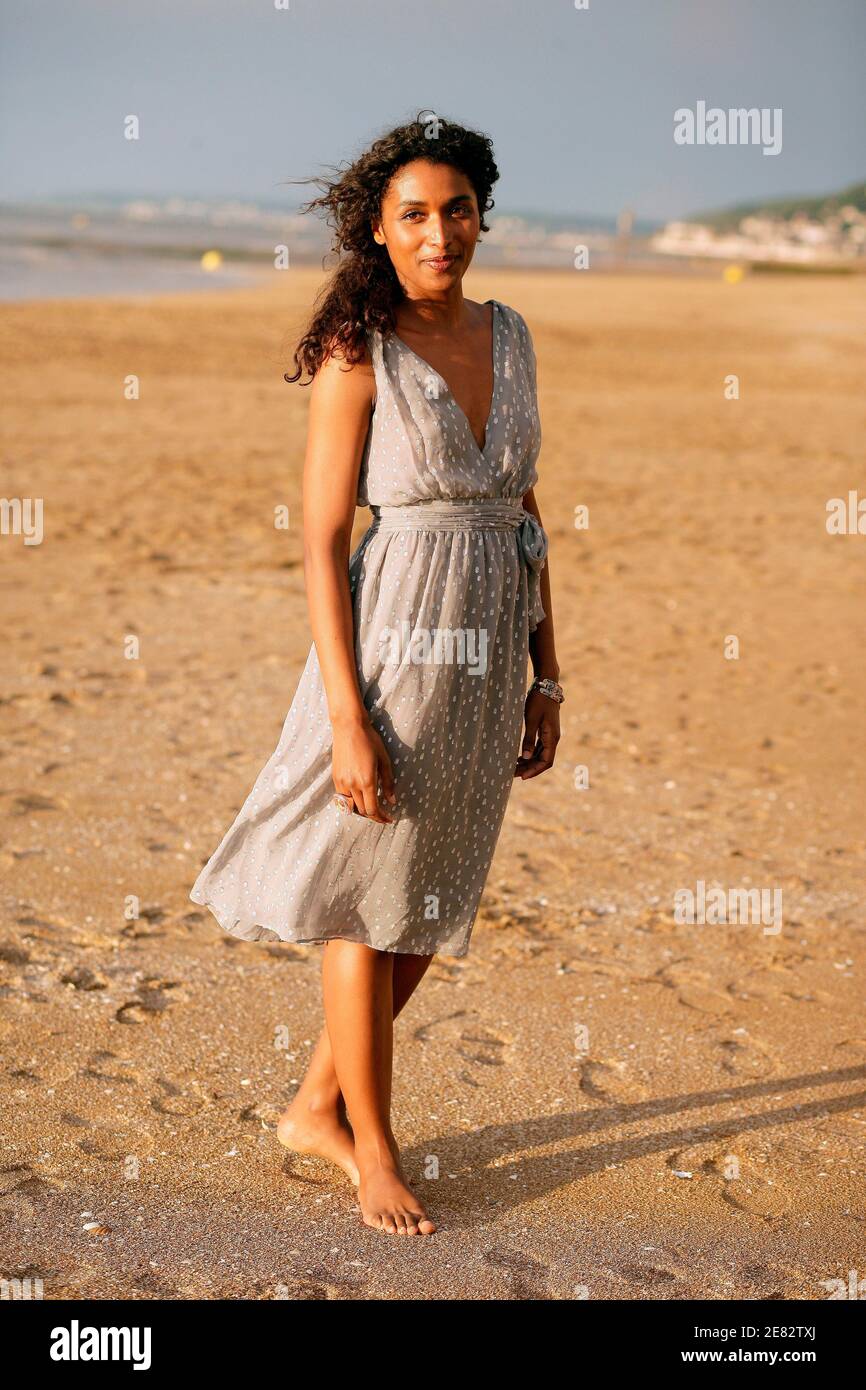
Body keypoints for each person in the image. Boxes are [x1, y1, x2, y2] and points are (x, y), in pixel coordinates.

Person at [190, 113, 562, 1236]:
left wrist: (548, 671)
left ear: (479, 216)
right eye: (414, 215)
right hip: (394, 635)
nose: (439, 231)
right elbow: (316, 539)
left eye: (455, 209)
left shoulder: (512, 334)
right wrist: (346, 717)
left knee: (429, 889)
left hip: (494, 631)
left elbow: (526, 504)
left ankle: (315, 1103)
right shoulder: (362, 349)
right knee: (366, 889)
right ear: (379, 230)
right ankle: (373, 1151)